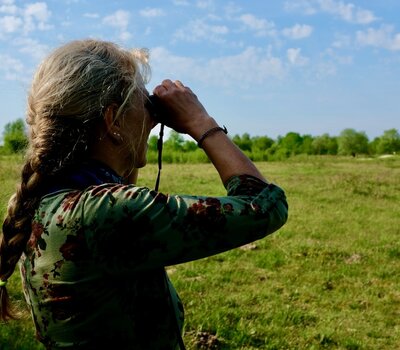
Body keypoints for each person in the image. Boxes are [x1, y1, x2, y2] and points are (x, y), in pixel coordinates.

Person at [0, 39, 288, 349]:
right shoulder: (101, 212)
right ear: (112, 120)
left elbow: (117, 188)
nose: (151, 115)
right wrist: (200, 122)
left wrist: (131, 136)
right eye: (143, 102)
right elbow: (264, 204)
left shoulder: (47, 201)